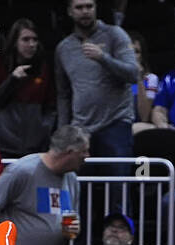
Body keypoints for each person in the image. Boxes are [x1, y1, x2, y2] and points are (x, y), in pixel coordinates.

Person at [55, 0, 137, 165]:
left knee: (117, 186)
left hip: (116, 122)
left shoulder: (115, 34)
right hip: (81, 128)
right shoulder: (63, 48)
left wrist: (103, 58)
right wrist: (63, 130)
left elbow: (133, 74)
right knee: (80, 186)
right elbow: (63, 94)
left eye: (89, 6)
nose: (85, 11)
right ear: (70, 11)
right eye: (79, 7)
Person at [0, 19, 56, 158]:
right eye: (25, 40)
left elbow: (51, 104)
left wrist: (44, 129)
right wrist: (12, 79)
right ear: (14, 42)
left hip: (35, 145)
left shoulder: (42, 66)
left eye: (35, 40)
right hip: (3, 143)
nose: (31, 44)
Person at [127, 31, 159, 129]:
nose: (132, 56)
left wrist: (139, 79)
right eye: (129, 51)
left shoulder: (151, 79)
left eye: (136, 52)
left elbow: (144, 116)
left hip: (140, 127)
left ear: (142, 56)